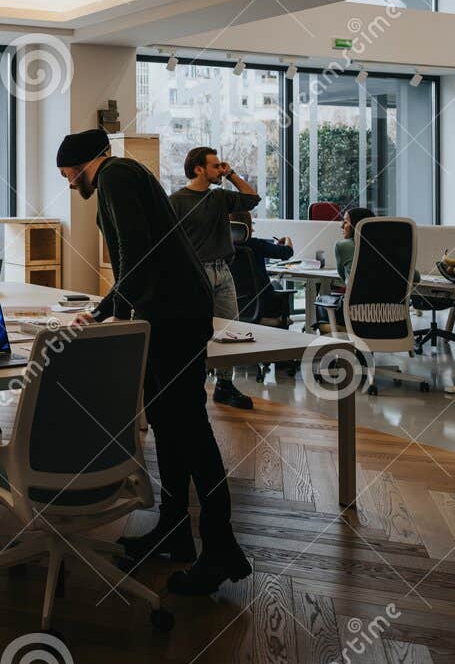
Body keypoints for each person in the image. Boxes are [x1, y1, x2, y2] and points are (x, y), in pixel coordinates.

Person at [56, 128, 252, 597]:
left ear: (82, 164)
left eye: (66, 173)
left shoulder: (115, 176)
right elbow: (137, 259)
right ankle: (174, 529)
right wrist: (118, 312)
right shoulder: (124, 176)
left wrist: (101, 311)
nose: (67, 182)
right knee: (167, 422)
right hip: (166, 313)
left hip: (175, 315)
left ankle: (221, 547)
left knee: (190, 428)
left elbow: (134, 255)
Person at [169, 146, 262, 410]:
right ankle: (191, 385)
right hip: (194, 273)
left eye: (222, 166)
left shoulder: (219, 197)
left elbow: (252, 199)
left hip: (223, 271)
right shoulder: (176, 201)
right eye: (215, 166)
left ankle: (224, 385)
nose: (220, 169)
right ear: (198, 169)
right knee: (194, 332)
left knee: (230, 330)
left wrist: (231, 174)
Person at [229, 213, 295, 324]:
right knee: (277, 286)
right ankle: (277, 322)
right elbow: (287, 252)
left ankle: (261, 320)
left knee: (274, 285)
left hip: (235, 304)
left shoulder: (223, 247)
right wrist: (287, 239)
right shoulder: (256, 244)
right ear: (247, 225)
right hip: (264, 306)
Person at [335, 206, 375, 282]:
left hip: (357, 290)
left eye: (345, 222)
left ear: (356, 225)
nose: (342, 226)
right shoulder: (382, 246)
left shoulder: (343, 246)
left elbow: (344, 279)